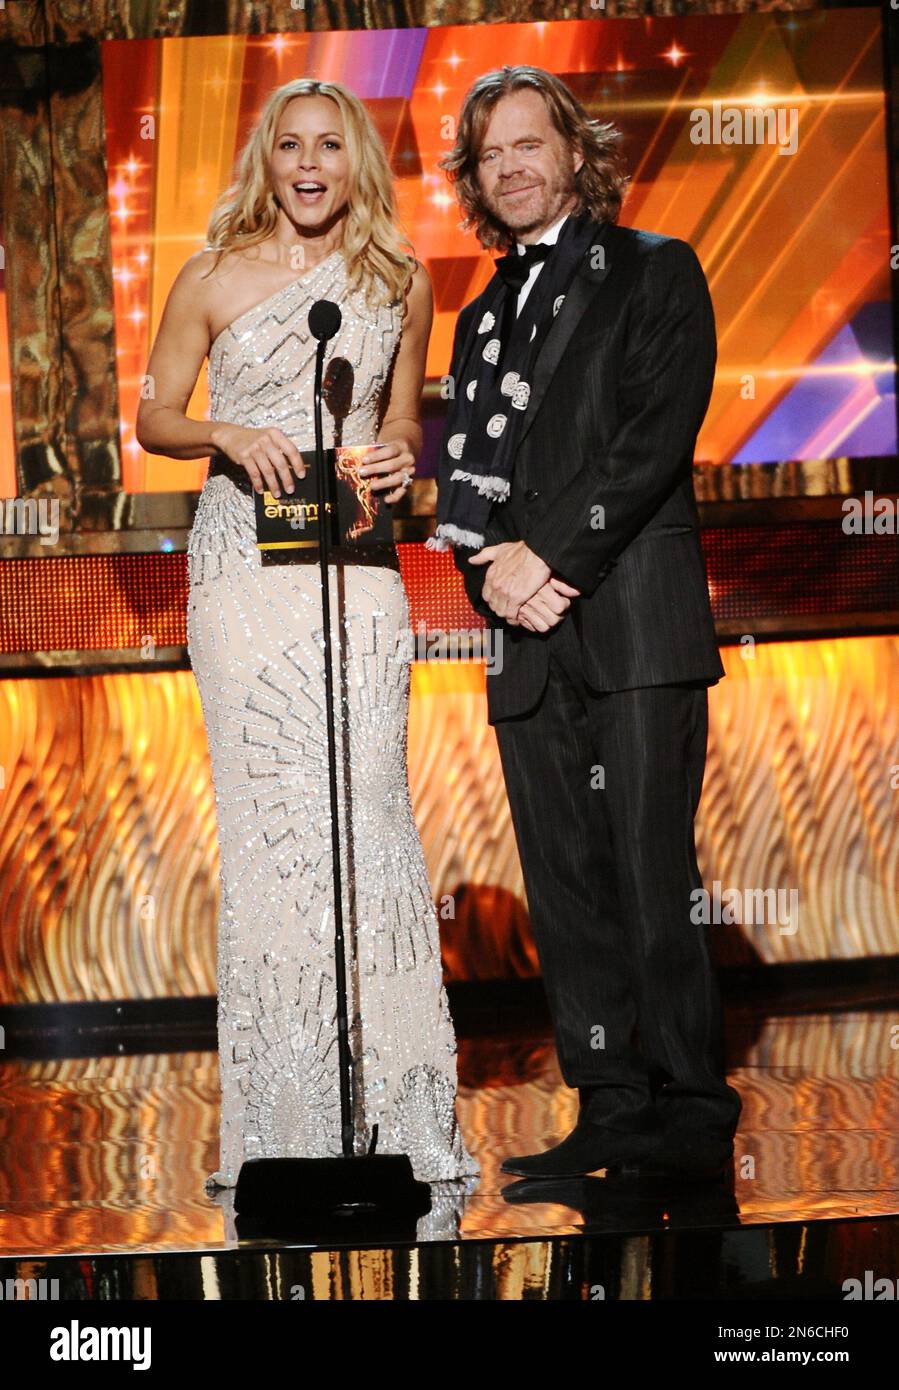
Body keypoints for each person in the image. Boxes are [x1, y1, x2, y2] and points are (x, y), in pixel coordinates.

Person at [136, 77, 478, 1190]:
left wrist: (394, 453)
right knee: (275, 831)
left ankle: (396, 1114)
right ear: (266, 160)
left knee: (368, 813)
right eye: (290, 145)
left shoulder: (396, 280)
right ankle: (286, 1124)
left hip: (355, 569)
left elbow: (398, 415)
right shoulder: (210, 273)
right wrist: (226, 431)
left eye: (330, 144)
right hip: (245, 575)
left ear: (358, 161)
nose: (310, 163)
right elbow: (153, 413)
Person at [428, 65, 742, 1180]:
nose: (509, 167)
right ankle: (608, 1102)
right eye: (488, 155)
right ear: (474, 178)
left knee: (650, 874)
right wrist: (492, 582)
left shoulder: (654, 270)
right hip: (522, 636)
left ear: (572, 151)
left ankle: (695, 1111)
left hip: (634, 623)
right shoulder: (475, 318)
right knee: (564, 888)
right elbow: (466, 487)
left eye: (527, 144)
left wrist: (549, 562)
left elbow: (652, 441)